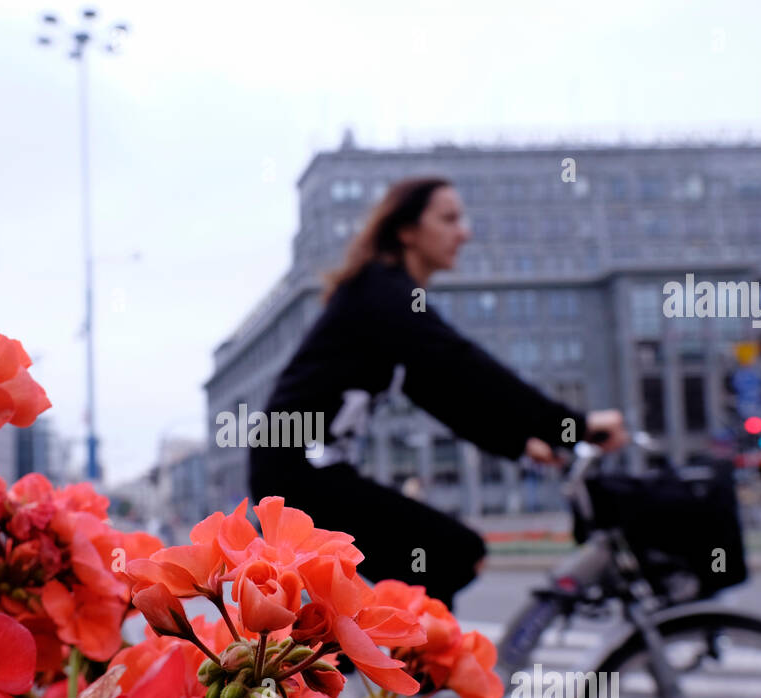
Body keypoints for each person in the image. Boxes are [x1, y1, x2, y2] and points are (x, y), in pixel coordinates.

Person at [248, 177, 628, 610]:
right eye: (448, 219)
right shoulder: (382, 292)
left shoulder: (385, 297)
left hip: (302, 473)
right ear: (407, 231)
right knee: (451, 553)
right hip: (295, 475)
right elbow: (463, 364)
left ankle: (364, 659)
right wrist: (572, 425)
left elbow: (446, 397)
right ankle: (383, 666)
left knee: (437, 563)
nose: (463, 232)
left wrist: (518, 442)